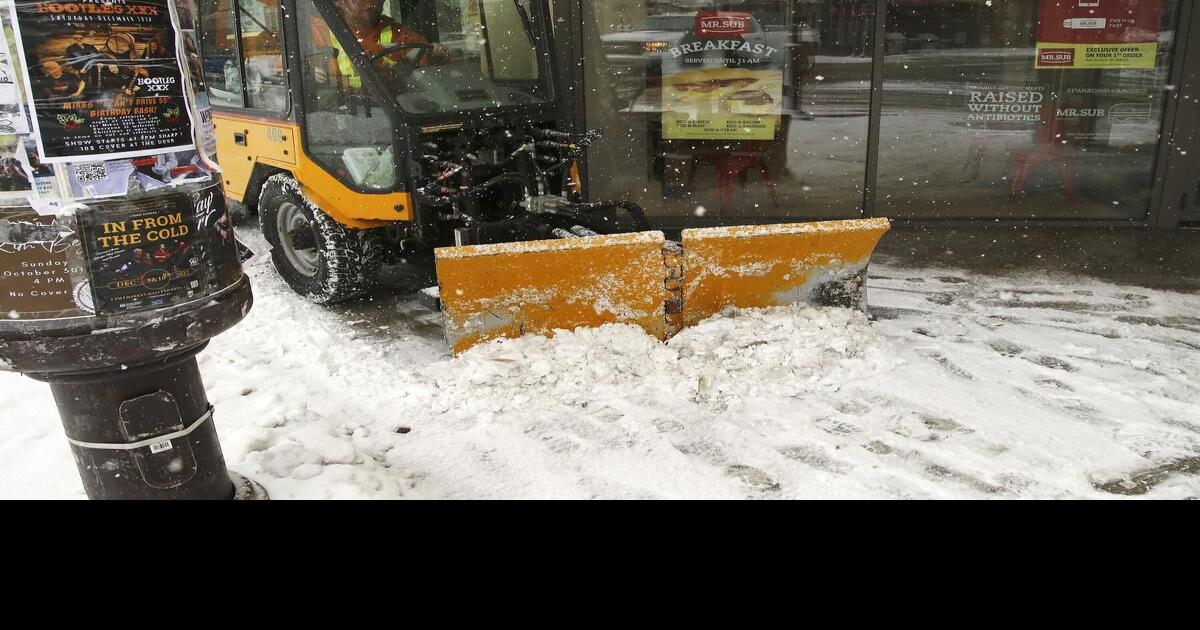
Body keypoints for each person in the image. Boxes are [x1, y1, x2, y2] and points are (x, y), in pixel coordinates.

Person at [327, 0, 450, 89]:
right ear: (341, 3)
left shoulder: (401, 34)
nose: (371, 4)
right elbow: (322, 84)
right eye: (361, 0)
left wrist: (435, 54)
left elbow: (427, 69)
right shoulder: (324, 32)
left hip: (393, 107)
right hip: (343, 110)